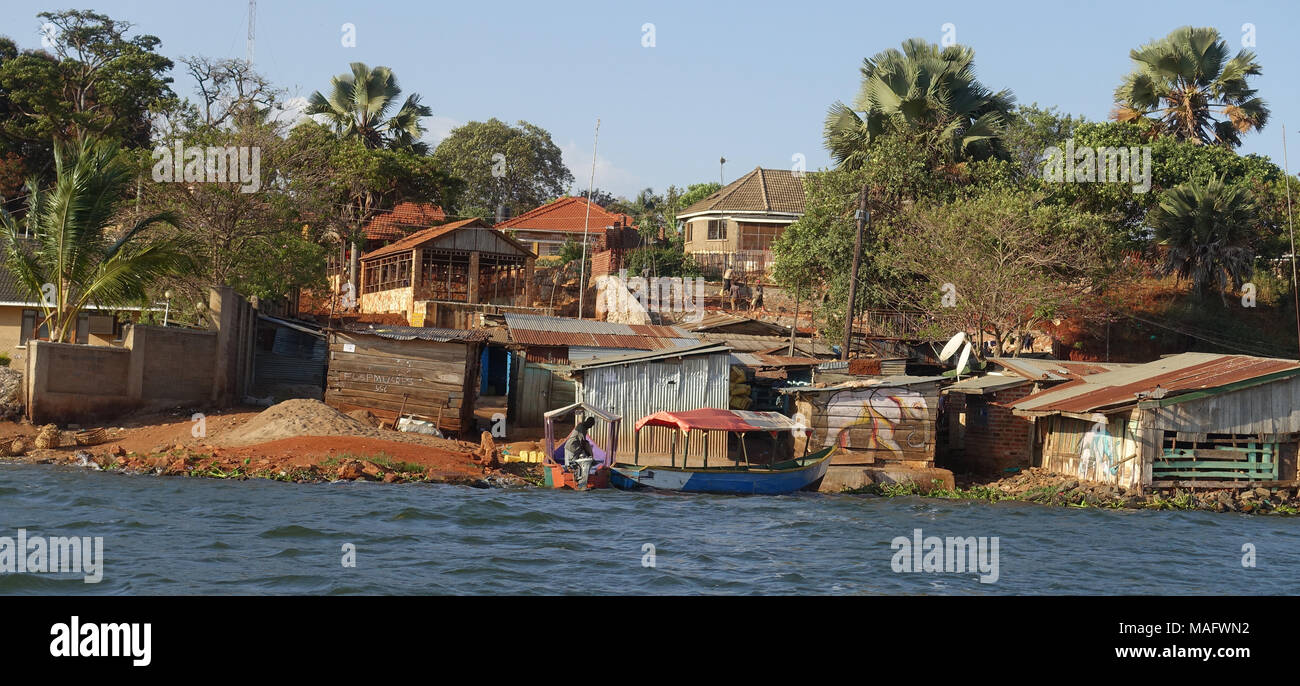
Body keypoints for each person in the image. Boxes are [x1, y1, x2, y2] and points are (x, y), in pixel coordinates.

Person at [564, 416, 598, 488]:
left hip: (577, 449)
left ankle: (579, 481)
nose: (591, 427)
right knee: (571, 465)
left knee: (576, 465)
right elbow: (583, 442)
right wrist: (589, 454)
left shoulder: (585, 429)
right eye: (591, 425)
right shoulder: (581, 427)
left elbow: (584, 443)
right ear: (588, 422)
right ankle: (571, 483)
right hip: (571, 448)